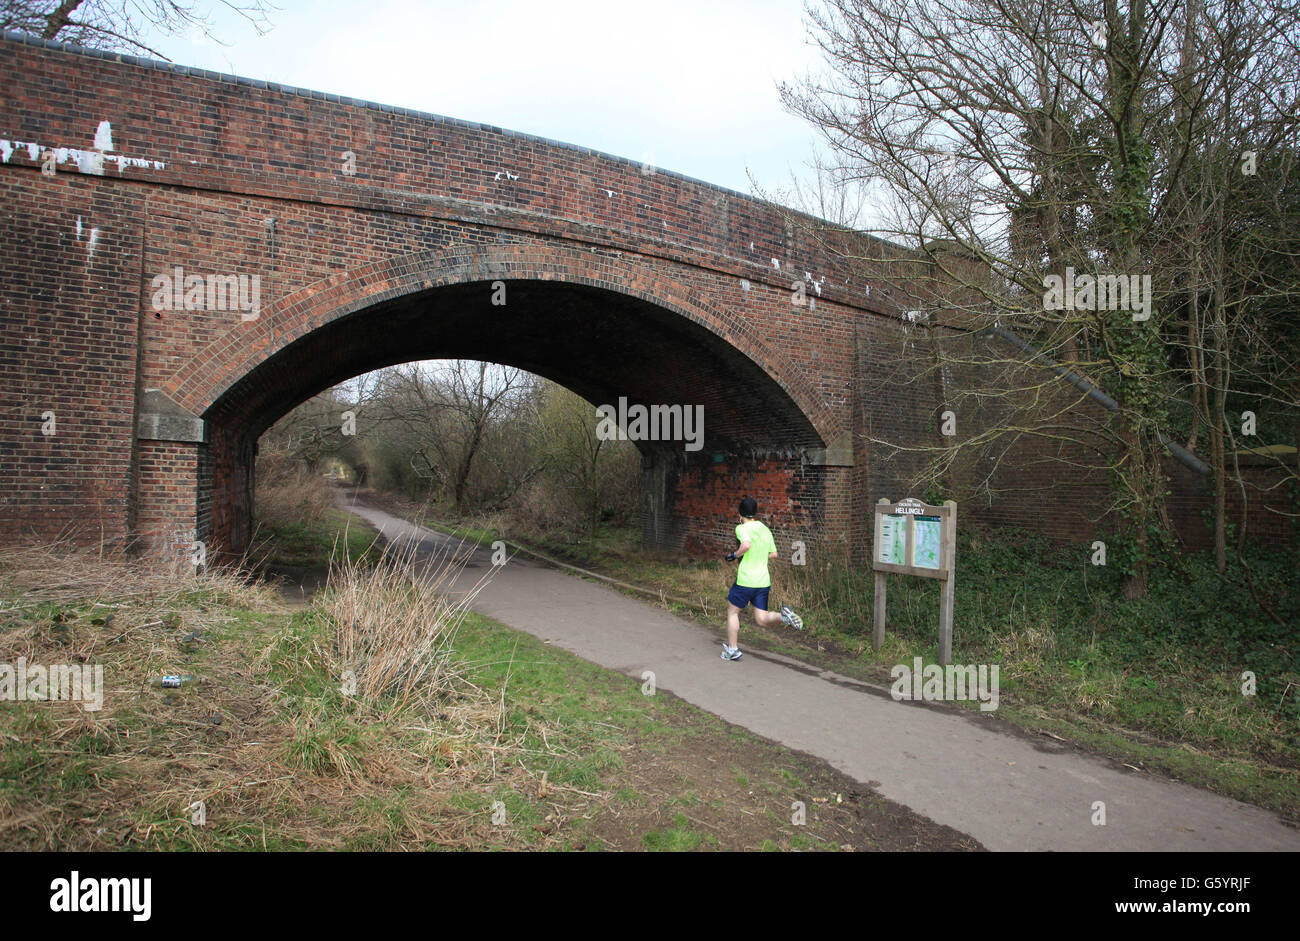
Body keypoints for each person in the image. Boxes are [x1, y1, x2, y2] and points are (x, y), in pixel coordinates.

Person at [720, 496, 802, 661]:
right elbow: (773, 554)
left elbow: (747, 544)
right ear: (755, 512)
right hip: (763, 581)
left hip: (746, 580)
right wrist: (759, 553)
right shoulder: (765, 529)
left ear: (740, 514)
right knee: (762, 619)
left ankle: (733, 649)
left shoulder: (742, 528)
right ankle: (783, 616)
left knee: (733, 611)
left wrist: (734, 555)